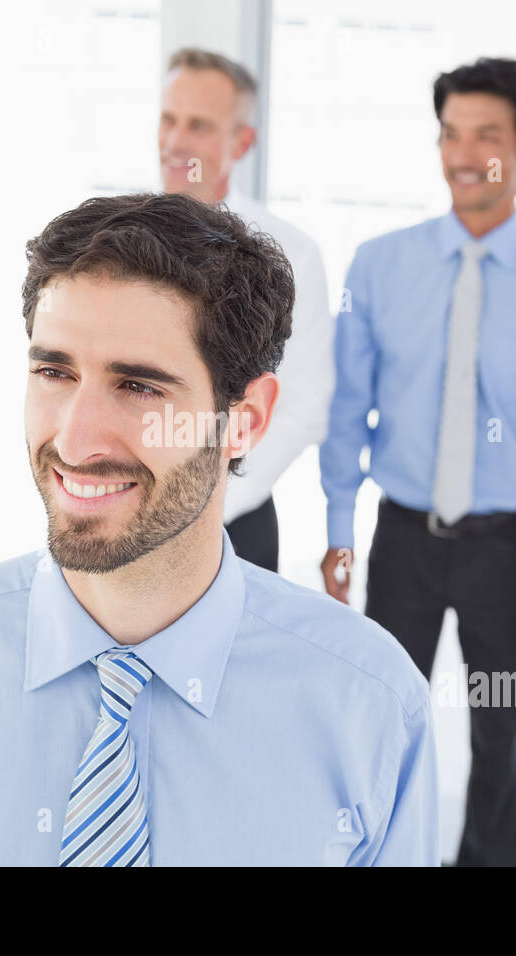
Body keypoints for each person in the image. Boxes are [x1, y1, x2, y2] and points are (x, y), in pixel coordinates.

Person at [0, 192, 437, 865]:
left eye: (139, 387)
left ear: (246, 420)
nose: (78, 441)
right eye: (55, 372)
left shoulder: (371, 707)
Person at [319, 57, 516, 866]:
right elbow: (348, 411)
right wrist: (340, 529)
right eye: (450, 133)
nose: (462, 153)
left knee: (500, 735)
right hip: (401, 538)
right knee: (376, 723)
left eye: (487, 136)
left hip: (507, 547)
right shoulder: (379, 264)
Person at [159, 47, 334, 572]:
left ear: (242, 141)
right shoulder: (111, 241)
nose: (174, 141)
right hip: (128, 508)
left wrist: (207, 501)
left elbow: (304, 403)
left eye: (198, 125)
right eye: (168, 120)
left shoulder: (291, 253)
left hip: (236, 521)